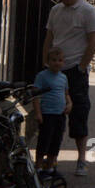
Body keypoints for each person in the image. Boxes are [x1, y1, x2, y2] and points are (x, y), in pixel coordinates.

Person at [43, 0, 95, 176]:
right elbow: (49, 37)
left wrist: (82, 66)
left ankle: (82, 159)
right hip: (54, 72)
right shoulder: (55, 11)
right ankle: (52, 160)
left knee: (78, 113)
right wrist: (45, 62)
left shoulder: (87, 11)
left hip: (75, 71)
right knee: (53, 116)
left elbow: (93, 40)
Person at [32, 47, 72, 177]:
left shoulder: (63, 78)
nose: (57, 63)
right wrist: (38, 113)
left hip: (60, 114)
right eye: (54, 60)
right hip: (47, 114)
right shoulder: (42, 76)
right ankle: (38, 166)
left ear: (63, 62)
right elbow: (36, 96)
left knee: (56, 140)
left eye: (60, 60)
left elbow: (66, 94)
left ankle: (49, 167)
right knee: (44, 140)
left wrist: (69, 103)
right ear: (48, 61)